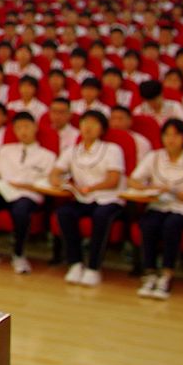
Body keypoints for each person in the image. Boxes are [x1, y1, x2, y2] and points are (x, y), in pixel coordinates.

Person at [128, 119, 183, 300]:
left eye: (176, 135)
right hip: (159, 204)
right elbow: (133, 180)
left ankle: (166, 274)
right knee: (148, 224)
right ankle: (149, 272)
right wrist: (148, 189)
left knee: (171, 225)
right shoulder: (153, 157)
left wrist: (173, 191)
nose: (171, 139)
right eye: (167, 135)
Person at [0, 113, 55, 274]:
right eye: (19, 128)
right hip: (4, 192)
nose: (23, 131)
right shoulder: (6, 150)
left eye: (27, 127)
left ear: (35, 128)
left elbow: (46, 184)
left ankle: (19, 253)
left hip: (28, 195)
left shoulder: (47, 156)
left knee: (20, 210)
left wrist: (23, 185)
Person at [50, 111, 125, 286]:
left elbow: (113, 180)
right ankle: (75, 263)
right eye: (85, 123)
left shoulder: (112, 149)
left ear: (102, 129)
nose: (88, 127)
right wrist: (62, 184)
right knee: (64, 213)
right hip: (82, 198)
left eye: (93, 123)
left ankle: (93, 267)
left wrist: (90, 188)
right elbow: (55, 173)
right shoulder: (72, 151)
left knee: (101, 216)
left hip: (108, 198)